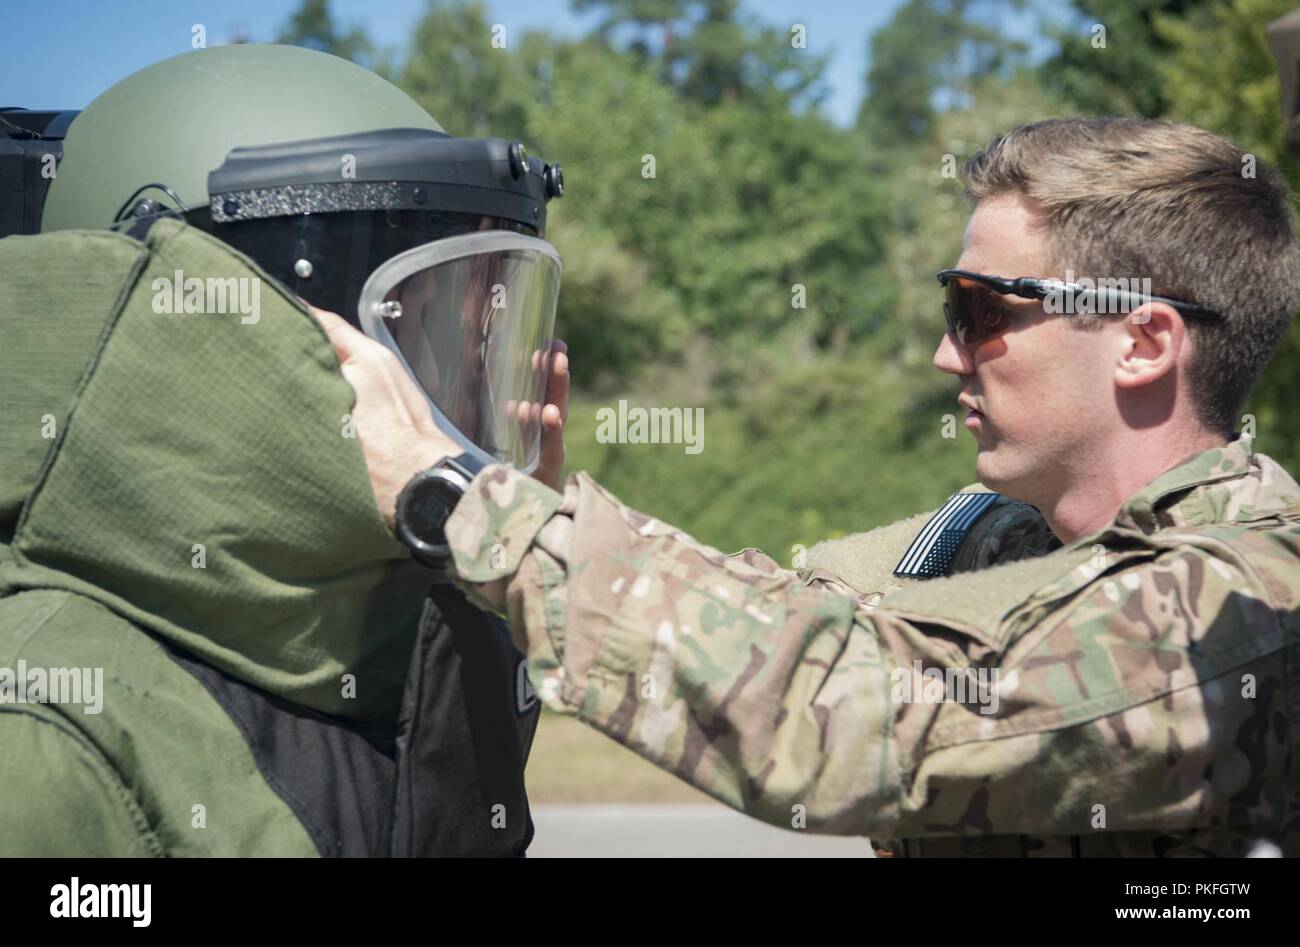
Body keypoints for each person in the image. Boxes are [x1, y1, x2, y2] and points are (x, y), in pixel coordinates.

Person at [318, 116, 1300, 857]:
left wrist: (458, 499)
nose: (940, 355)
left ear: (1140, 341)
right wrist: (542, 504)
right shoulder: (1010, 538)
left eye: (978, 311)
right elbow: (783, 617)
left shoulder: (1244, 601)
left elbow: (850, 713)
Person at [0, 43, 568, 856]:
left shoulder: (388, 650)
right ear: (191, 325)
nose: (439, 418)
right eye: (406, 338)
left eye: (466, 344)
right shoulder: (48, 745)